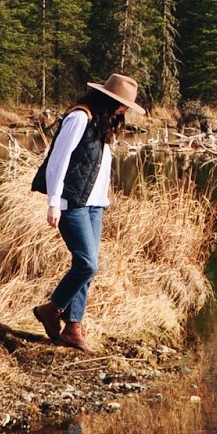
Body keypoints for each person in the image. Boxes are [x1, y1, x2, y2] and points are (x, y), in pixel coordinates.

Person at [30, 73, 145, 352]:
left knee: (88, 268)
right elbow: (58, 159)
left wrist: (104, 200)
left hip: (94, 205)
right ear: (109, 100)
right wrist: (54, 202)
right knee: (87, 263)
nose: (125, 110)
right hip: (72, 203)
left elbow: (98, 168)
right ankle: (51, 309)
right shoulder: (79, 118)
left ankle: (73, 328)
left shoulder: (102, 123)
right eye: (123, 104)